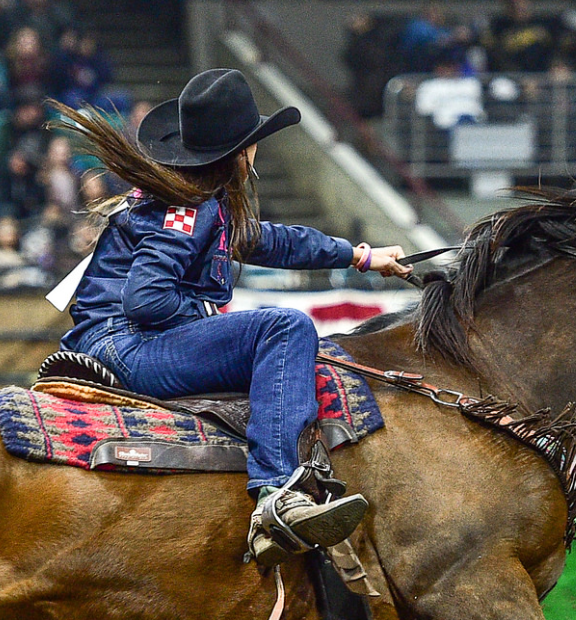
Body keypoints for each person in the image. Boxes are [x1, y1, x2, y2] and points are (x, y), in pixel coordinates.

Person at [52, 69, 412, 567]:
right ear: (240, 152)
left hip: (109, 339)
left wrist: (360, 256)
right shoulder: (189, 208)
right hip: (125, 344)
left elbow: (269, 240)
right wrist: (203, 317)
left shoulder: (196, 199)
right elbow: (146, 301)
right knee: (285, 328)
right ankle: (274, 494)